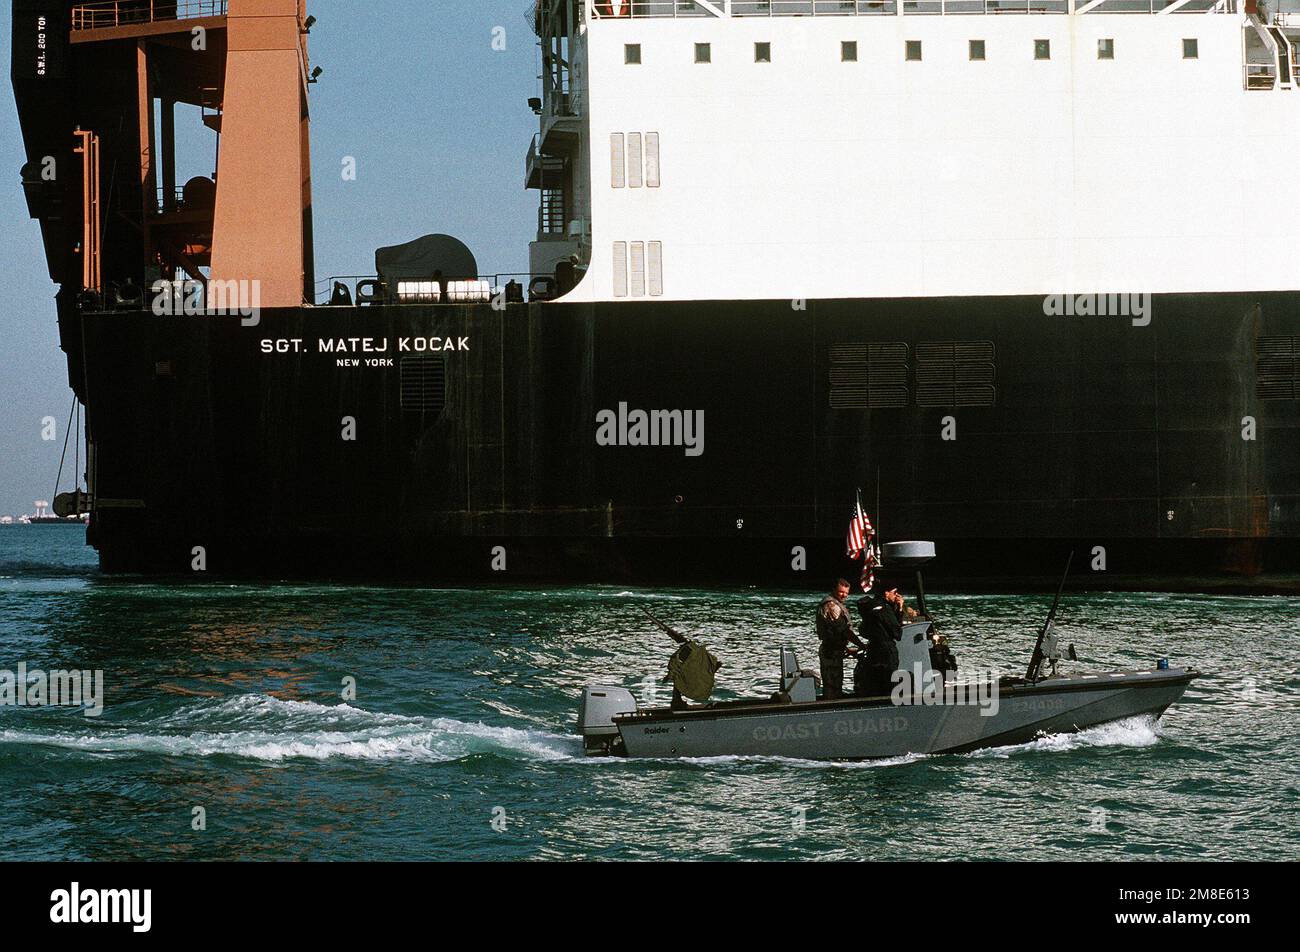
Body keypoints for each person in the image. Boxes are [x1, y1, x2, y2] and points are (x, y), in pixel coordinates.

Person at [816, 578, 867, 699]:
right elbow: (844, 630)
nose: (844, 595)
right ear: (834, 590)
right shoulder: (830, 606)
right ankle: (830, 708)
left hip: (836, 650)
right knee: (832, 686)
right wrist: (861, 645)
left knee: (836, 684)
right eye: (841, 592)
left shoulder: (837, 604)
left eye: (846, 593)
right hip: (830, 652)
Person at [855, 584, 904, 698]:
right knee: (890, 681)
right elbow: (897, 633)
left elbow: (865, 630)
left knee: (875, 682)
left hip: (873, 649)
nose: (896, 595)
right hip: (887, 651)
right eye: (894, 592)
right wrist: (900, 608)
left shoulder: (869, 607)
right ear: (886, 593)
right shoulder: (884, 608)